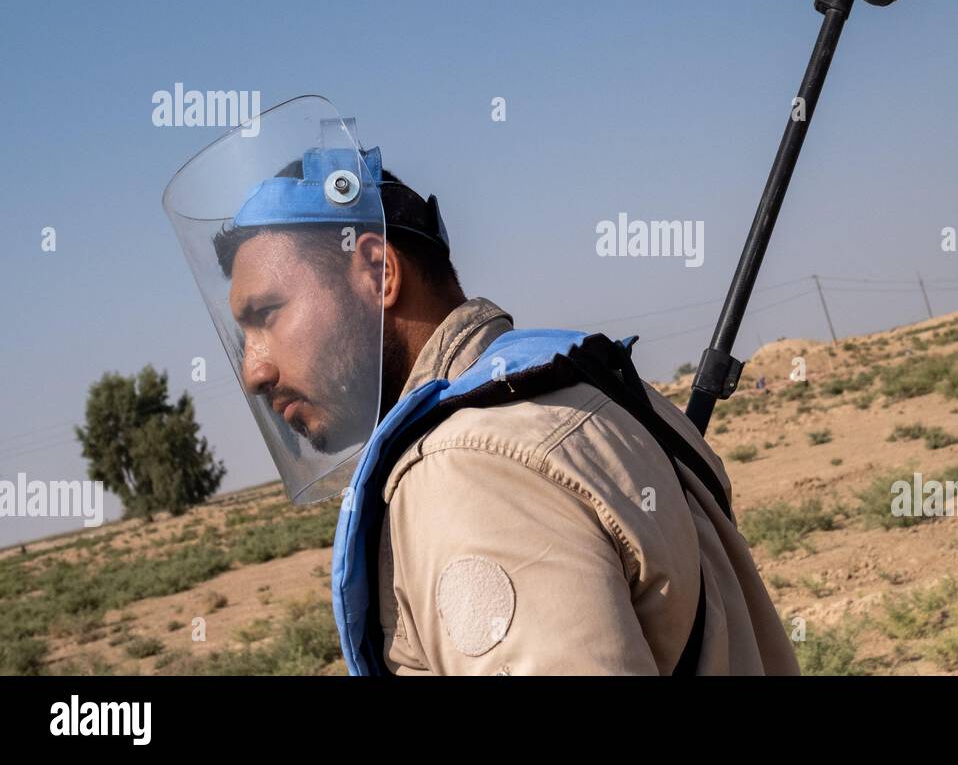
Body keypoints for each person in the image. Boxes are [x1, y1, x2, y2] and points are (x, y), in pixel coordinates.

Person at [163, 97, 798, 676]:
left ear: (378, 271)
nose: (253, 370)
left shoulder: (466, 469)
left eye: (266, 314)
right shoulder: (577, 388)